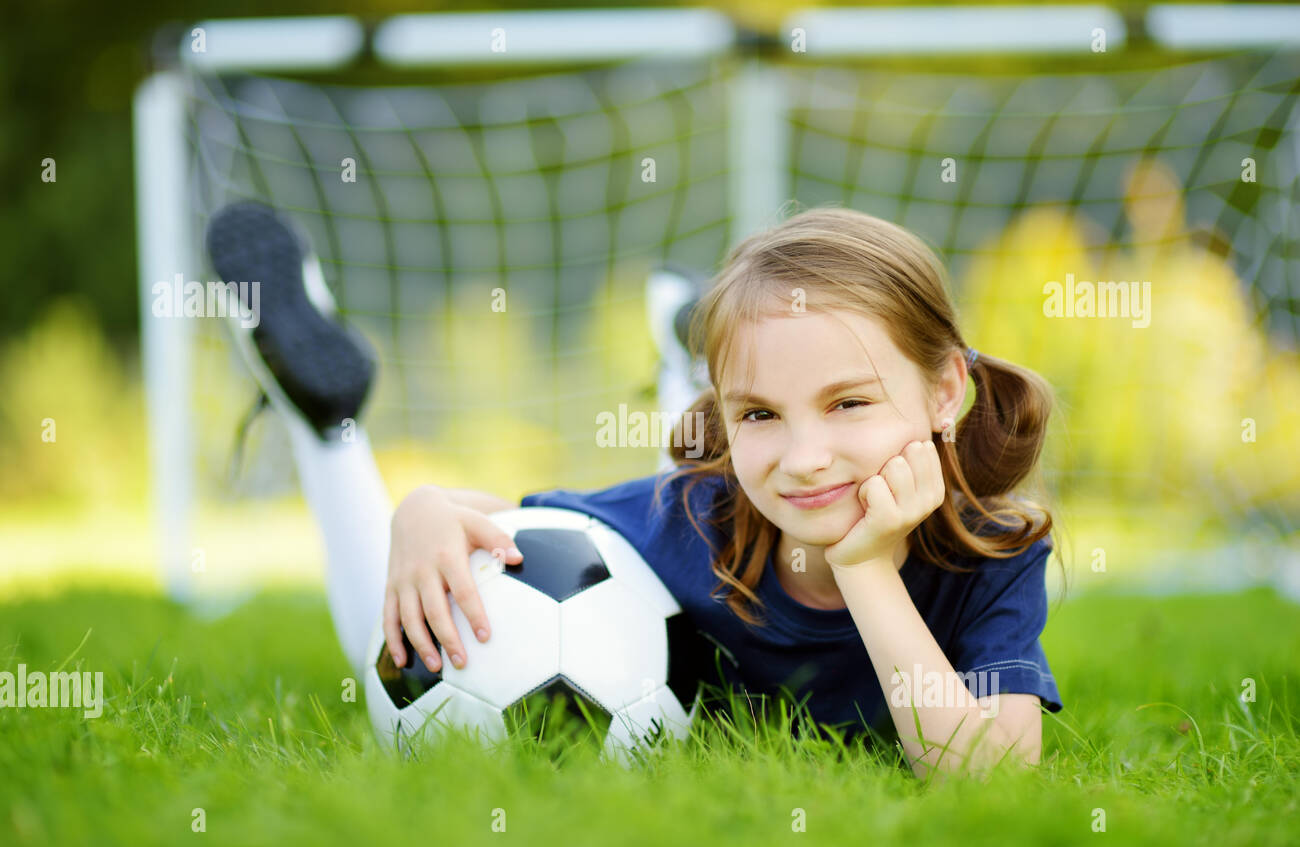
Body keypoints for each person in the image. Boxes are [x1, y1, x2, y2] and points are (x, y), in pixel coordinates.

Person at [209, 201, 1065, 780]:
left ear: (946, 390)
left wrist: (869, 568)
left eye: (849, 403)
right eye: (760, 412)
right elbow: (504, 530)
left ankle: (678, 354)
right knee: (399, 623)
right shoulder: (692, 519)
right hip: (706, 488)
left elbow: (991, 771)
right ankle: (331, 429)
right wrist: (420, 512)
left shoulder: (993, 552)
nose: (807, 457)